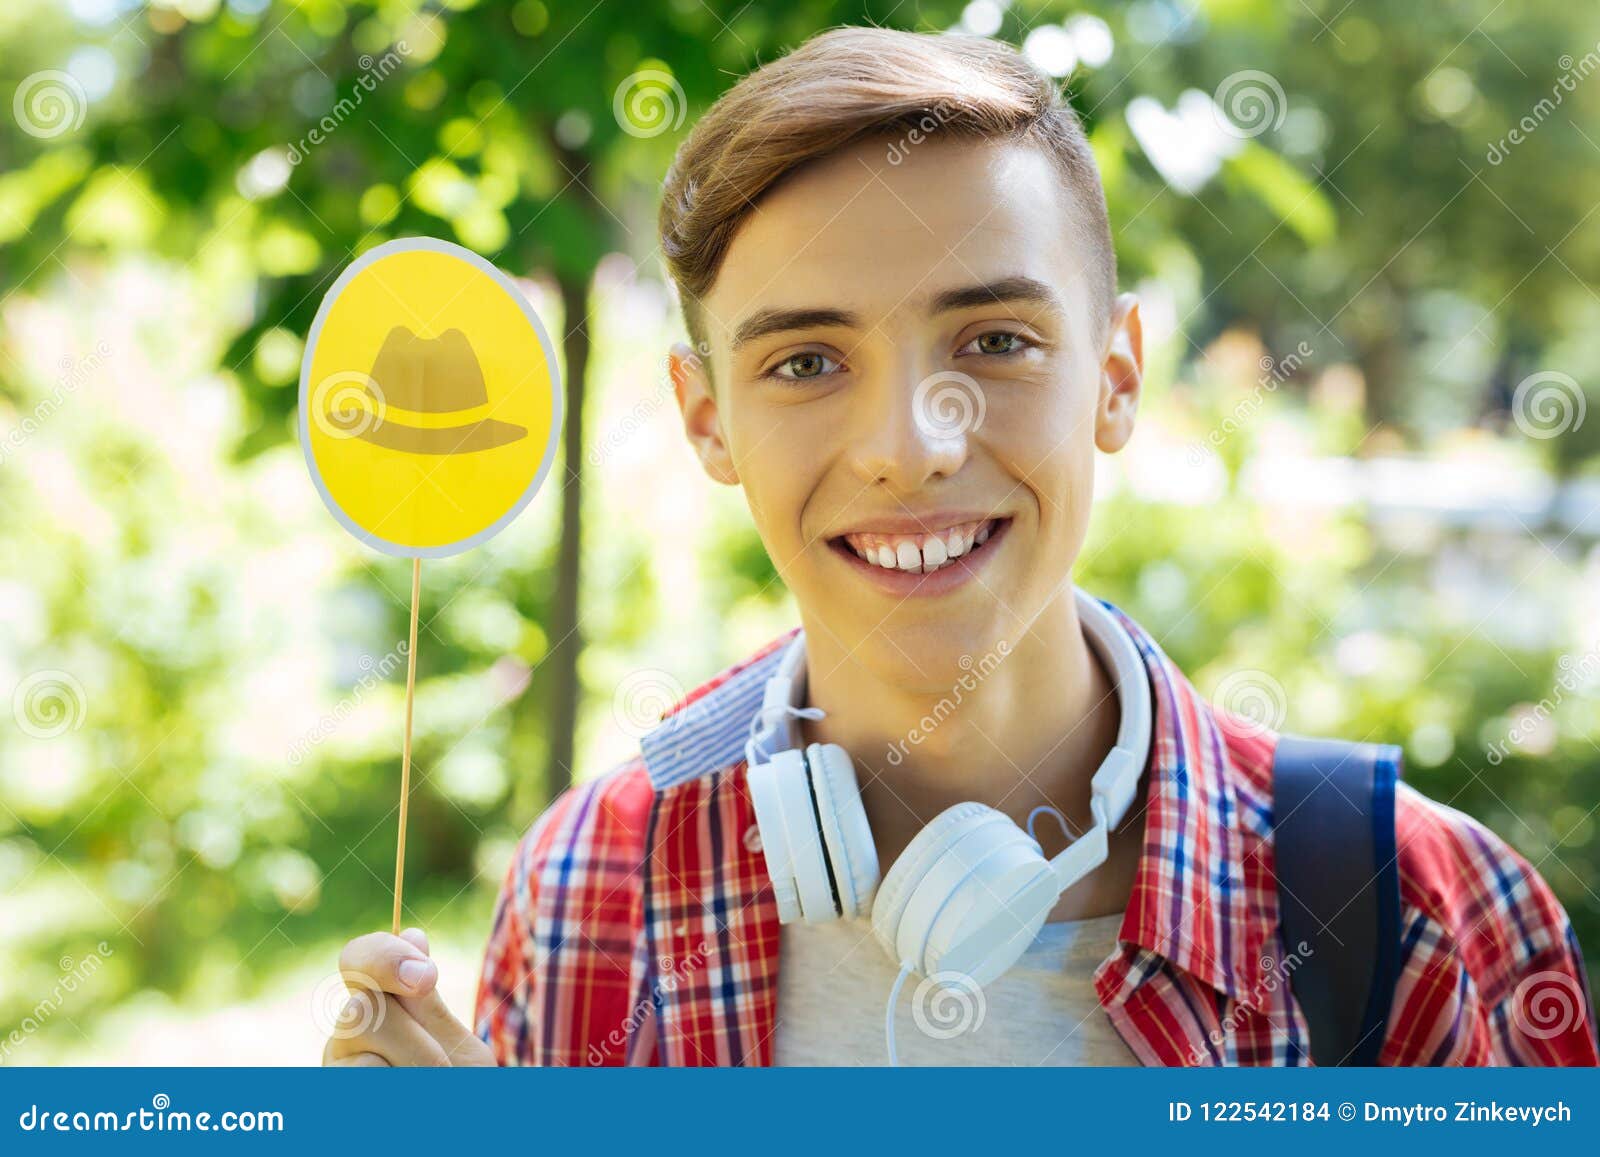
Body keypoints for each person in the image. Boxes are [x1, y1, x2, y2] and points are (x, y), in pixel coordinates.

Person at [321, 27, 1597, 1068]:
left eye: (993, 340)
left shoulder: (1420, 913)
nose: (908, 445)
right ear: (708, 420)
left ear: (1114, 375)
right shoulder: (592, 893)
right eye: (806, 361)